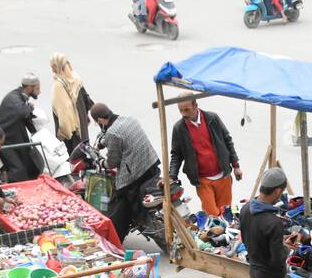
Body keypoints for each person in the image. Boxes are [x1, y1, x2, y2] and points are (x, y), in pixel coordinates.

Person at [90, 103, 162, 246]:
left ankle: (114, 241)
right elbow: (119, 137)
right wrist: (101, 144)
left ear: (99, 120)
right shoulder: (129, 119)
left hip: (135, 175)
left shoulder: (112, 133)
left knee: (119, 203)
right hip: (151, 165)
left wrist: (100, 162)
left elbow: (113, 162)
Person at [168, 98, 242, 217]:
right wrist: (172, 176)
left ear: (196, 105)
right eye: (181, 111)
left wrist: (236, 166)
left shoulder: (212, 118)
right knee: (212, 213)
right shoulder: (179, 128)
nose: (184, 114)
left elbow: (228, 140)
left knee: (226, 211)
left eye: (187, 110)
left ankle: (226, 232)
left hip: (223, 175)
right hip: (202, 180)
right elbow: (176, 154)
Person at [238, 167, 294, 278]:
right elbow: (277, 260)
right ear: (277, 191)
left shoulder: (245, 209)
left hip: (253, 273)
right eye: (282, 192)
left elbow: (246, 239)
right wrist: (286, 249)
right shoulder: (274, 223)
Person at [0, 73, 44, 183]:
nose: (39, 92)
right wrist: (29, 108)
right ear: (30, 87)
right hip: (4, 141)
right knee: (19, 171)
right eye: (37, 88)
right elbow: (22, 112)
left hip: (15, 138)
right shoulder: (14, 98)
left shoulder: (21, 96)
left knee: (32, 166)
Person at [50, 52, 95, 157]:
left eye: (53, 66)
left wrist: (63, 131)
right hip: (81, 125)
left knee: (72, 155)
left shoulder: (58, 85)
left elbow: (63, 111)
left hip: (71, 131)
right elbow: (86, 98)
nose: (52, 69)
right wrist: (86, 116)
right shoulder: (76, 78)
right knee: (83, 151)